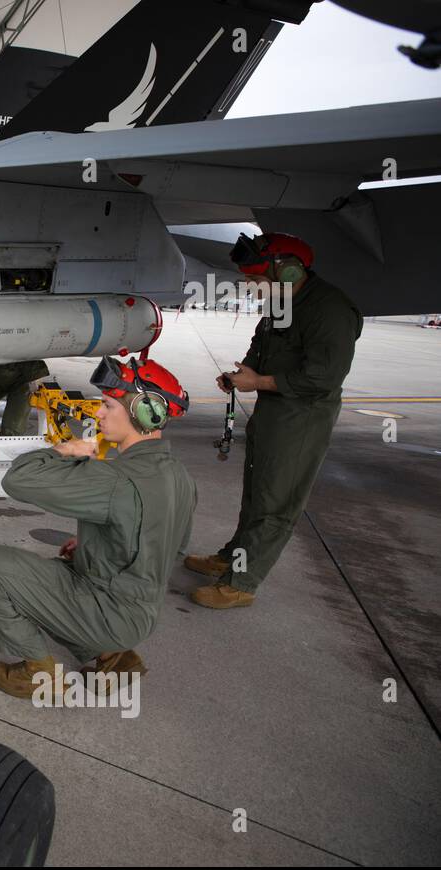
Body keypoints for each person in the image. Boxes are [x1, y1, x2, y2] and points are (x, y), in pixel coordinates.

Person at [0, 357, 195, 699]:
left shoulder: (116, 479)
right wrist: (94, 545)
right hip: (141, 613)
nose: (98, 414)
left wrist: (64, 449)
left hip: (109, 615)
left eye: (109, 405)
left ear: (145, 413)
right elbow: (172, 546)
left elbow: (18, 480)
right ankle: (113, 656)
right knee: (60, 571)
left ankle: (40, 673)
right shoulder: (181, 477)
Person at [185, 232, 363, 609]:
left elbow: (324, 377)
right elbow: (263, 341)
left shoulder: (329, 310)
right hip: (273, 411)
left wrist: (258, 382)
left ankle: (241, 584)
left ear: (288, 272)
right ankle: (234, 556)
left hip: (301, 419)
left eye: (254, 280)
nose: (250, 288)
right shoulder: (284, 301)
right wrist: (245, 371)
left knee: (276, 503)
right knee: (256, 495)